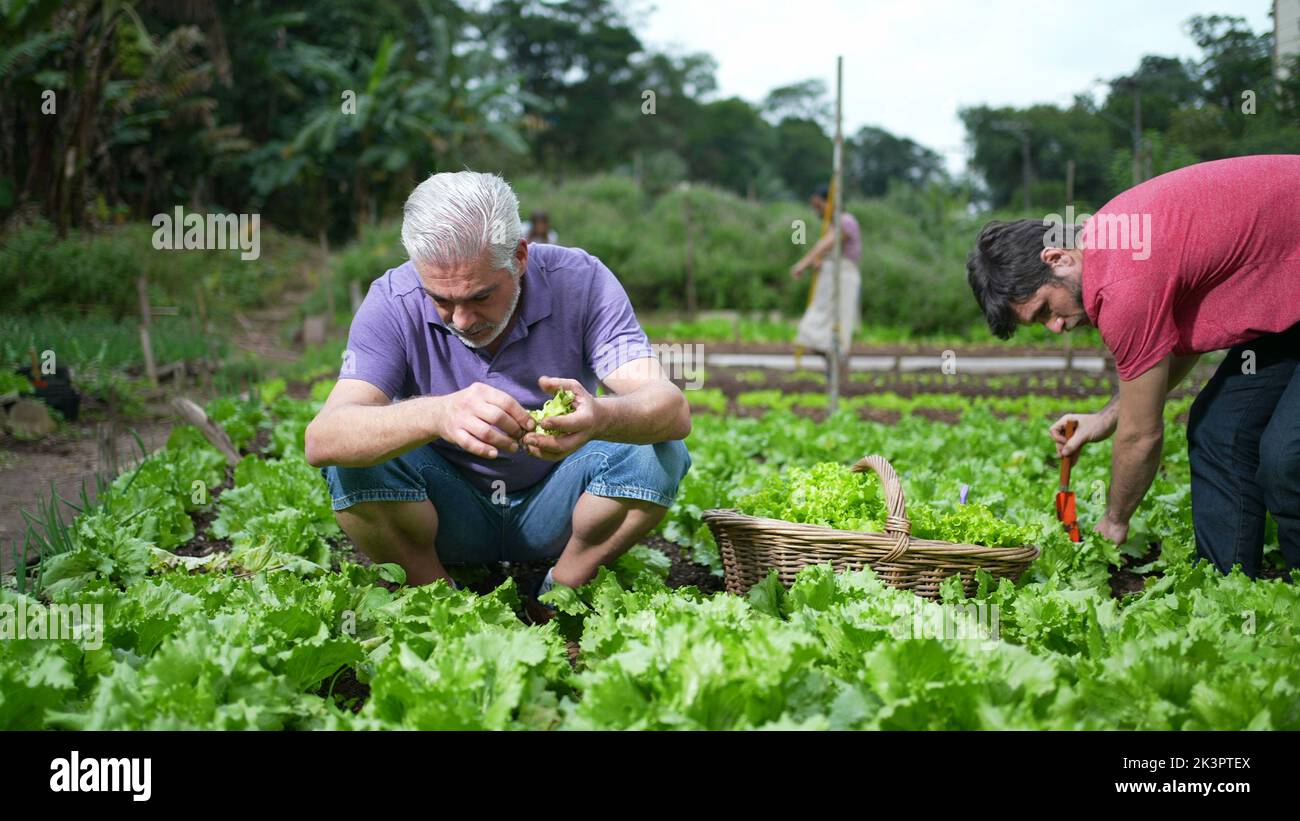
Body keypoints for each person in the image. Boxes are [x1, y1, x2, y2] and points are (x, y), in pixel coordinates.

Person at [305, 171, 692, 620]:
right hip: (445, 512)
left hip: (556, 510)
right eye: (441, 300)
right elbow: (323, 439)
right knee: (350, 458)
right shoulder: (393, 298)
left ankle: (559, 591)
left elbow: (670, 408)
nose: (463, 319)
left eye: (481, 296)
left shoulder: (581, 281)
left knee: (659, 448)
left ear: (520, 256)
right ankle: (437, 598)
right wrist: (438, 413)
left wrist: (601, 416)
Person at [966, 154, 1300, 578]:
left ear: (1057, 258)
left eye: (1045, 309)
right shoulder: (1110, 238)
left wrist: (1115, 521)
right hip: (1288, 298)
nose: (1054, 327)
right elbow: (1169, 350)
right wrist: (1103, 419)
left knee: (1287, 457)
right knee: (1220, 432)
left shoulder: (1121, 284)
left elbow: (1142, 436)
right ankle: (1229, 587)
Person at [790, 183, 861, 375]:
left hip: (843, 280)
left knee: (839, 326)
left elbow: (826, 245)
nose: (817, 211)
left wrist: (803, 264)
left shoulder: (846, 222)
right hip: (830, 280)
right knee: (813, 330)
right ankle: (834, 364)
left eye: (819, 205)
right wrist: (820, 263)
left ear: (829, 203)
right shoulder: (833, 225)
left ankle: (838, 366)